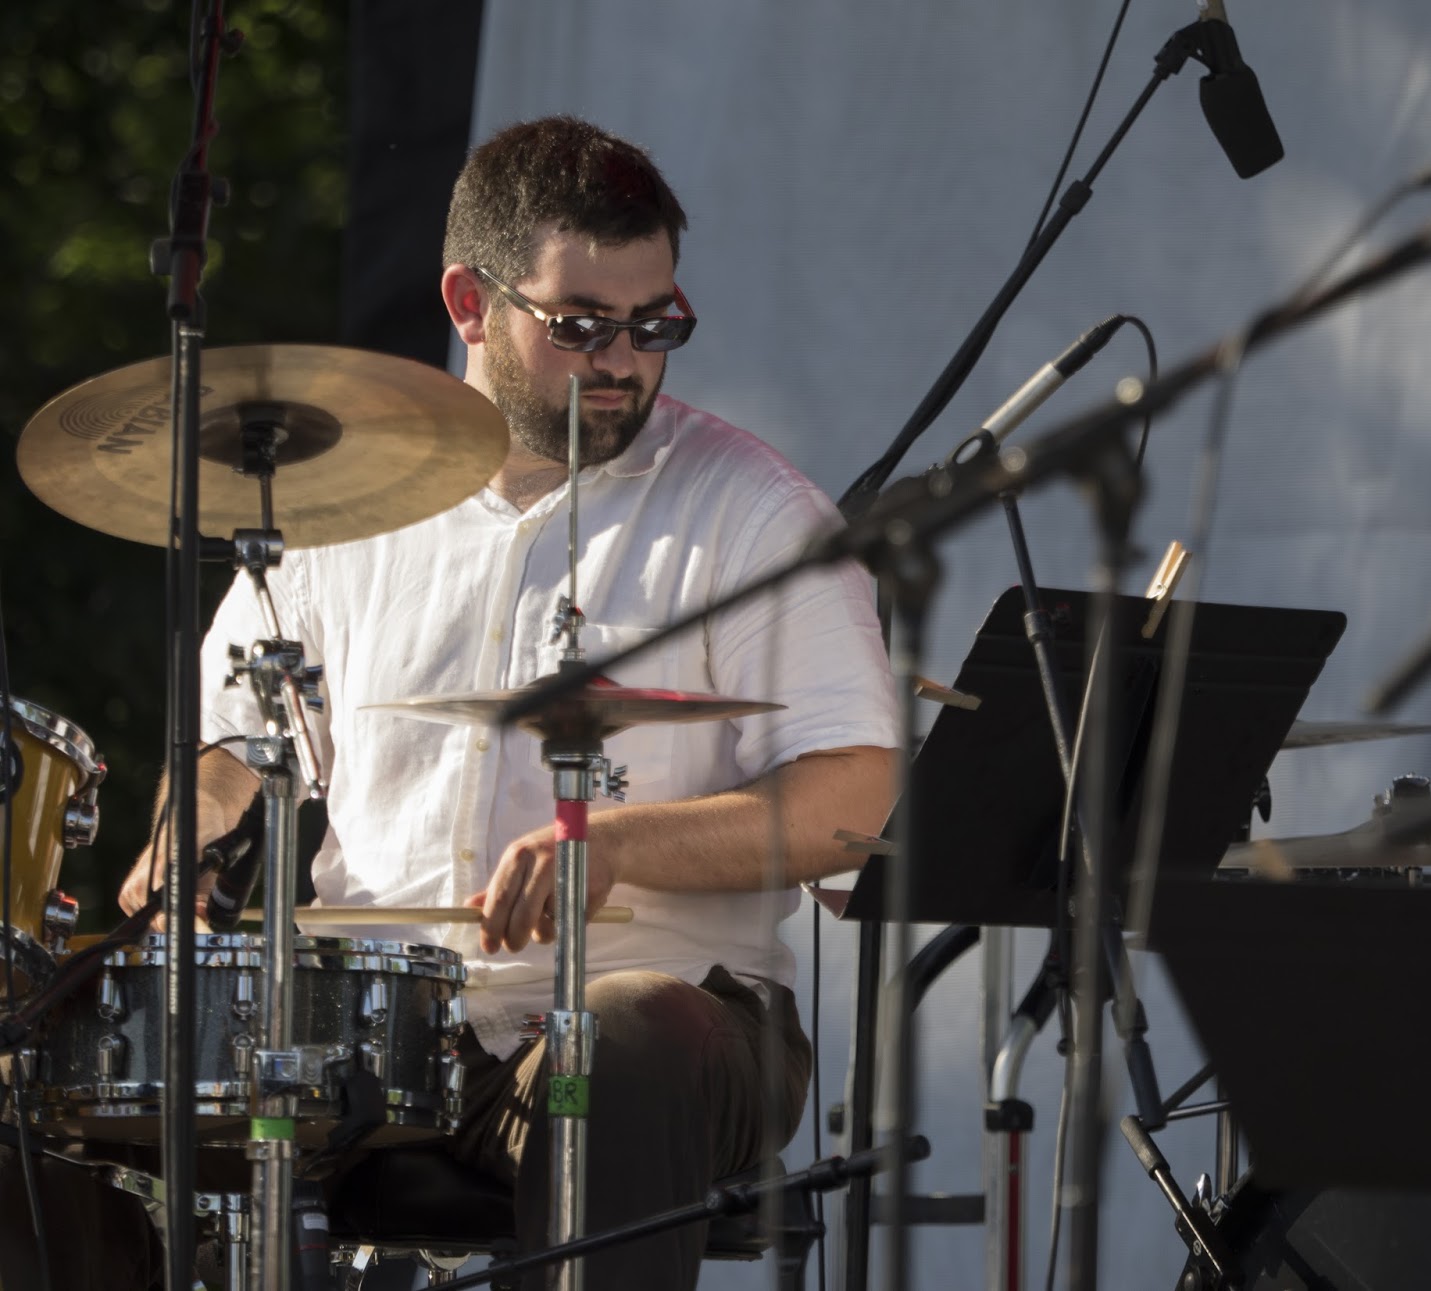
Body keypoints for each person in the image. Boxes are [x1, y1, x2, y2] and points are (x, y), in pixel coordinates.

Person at [97, 114, 894, 1289]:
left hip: (673, 1031)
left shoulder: (756, 516)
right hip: (379, 1040)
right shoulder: (346, 502)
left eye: (655, 323)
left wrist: (616, 844)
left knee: (618, 1036)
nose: (625, 358)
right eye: (581, 327)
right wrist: (186, 834)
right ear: (471, 303)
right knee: (56, 1083)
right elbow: (233, 741)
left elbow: (853, 799)